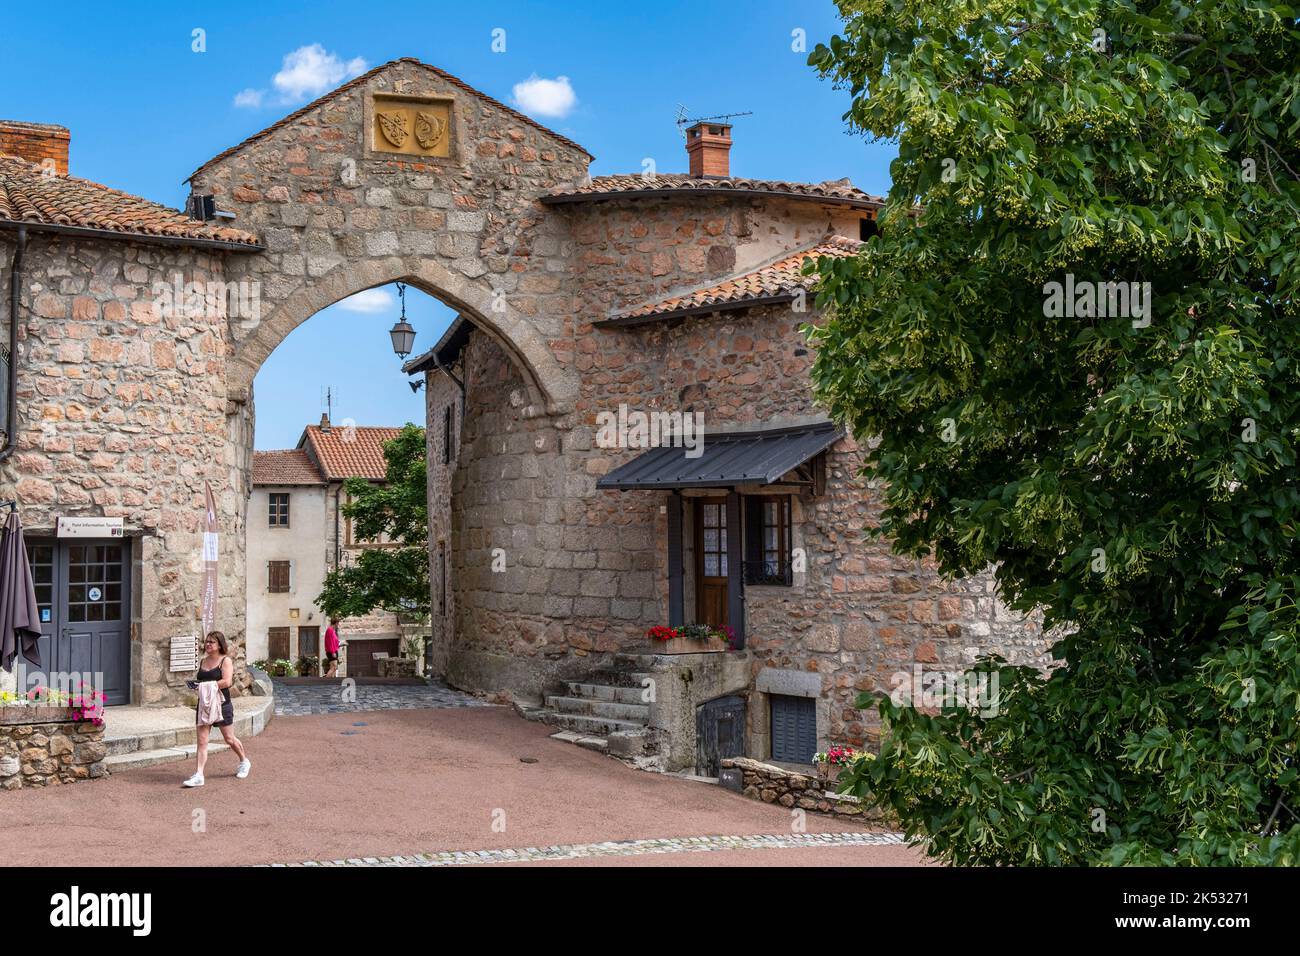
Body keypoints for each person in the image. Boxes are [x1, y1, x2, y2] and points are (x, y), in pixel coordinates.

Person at [182, 631, 250, 787]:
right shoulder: (203, 661)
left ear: (219, 644)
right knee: (202, 741)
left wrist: (205, 685)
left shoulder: (225, 661)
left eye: (211, 642)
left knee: (229, 739)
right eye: (206, 642)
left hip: (221, 703)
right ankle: (199, 774)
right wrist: (197, 686)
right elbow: (202, 682)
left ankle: (244, 761)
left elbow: (227, 682)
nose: (207, 645)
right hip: (205, 704)